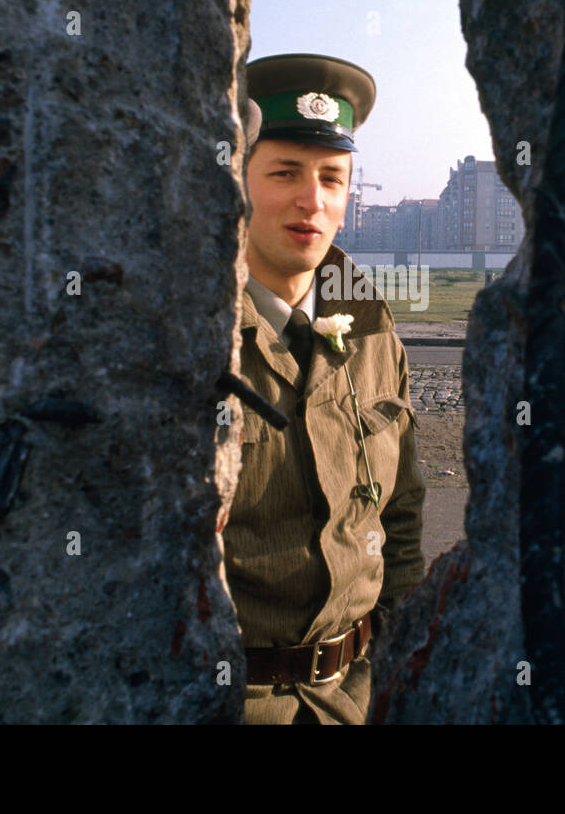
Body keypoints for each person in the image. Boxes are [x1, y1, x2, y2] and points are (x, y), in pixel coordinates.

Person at [223, 53, 426, 724]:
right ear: (238, 181)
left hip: (356, 697)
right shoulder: (193, 339)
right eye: (284, 173)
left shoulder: (369, 327)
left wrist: (396, 651)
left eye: (332, 178)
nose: (312, 200)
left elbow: (399, 513)